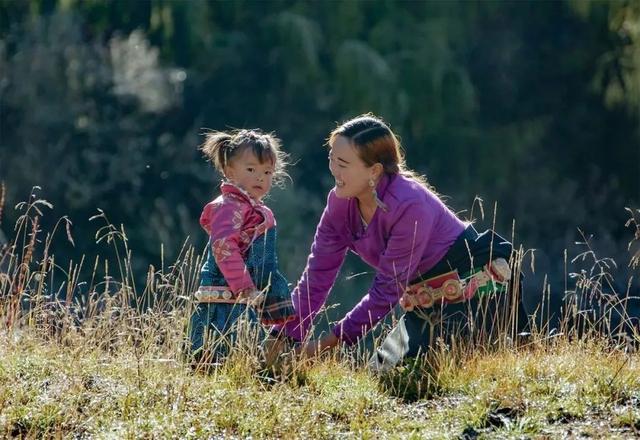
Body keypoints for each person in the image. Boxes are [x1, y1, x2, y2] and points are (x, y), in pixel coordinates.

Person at [272, 114, 528, 370]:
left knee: (409, 376)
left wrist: (324, 346)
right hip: (423, 305)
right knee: (379, 373)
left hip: (475, 296)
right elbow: (317, 277)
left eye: (343, 163)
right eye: (331, 159)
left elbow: (386, 291)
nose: (334, 170)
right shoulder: (339, 203)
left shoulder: (410, 205)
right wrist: (282, 336)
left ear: (374, 170)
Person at [188, 129, 296, 364]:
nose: (260, 177)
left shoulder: (251, 208)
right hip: (226, 295)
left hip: (244, 297)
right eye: (251, 170)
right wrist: (244, 286)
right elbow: (223, 246)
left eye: (267, 172)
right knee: (218, 351)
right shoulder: (229, 206)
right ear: (229, 172)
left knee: (244, 352)